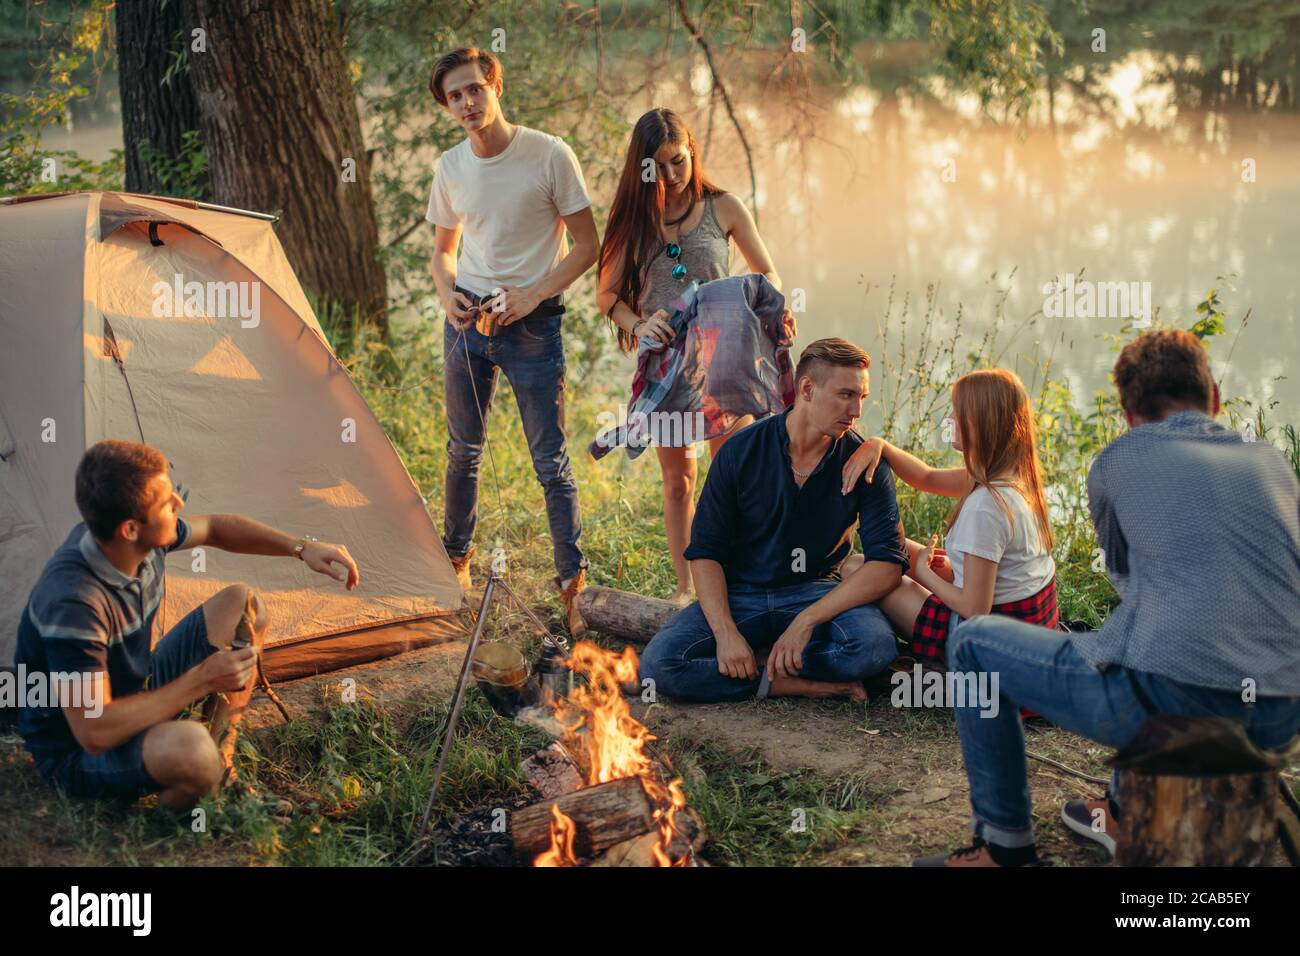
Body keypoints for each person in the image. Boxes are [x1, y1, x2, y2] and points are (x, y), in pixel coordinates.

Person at [915, 330, 1300, 866]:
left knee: (975, 640)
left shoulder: (1115, 465)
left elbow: (1129, 583)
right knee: (1144, 638)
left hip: (1178, 711)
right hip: (1282, 715)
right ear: (1213, 396)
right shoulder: (1273, 465)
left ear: (1125, 410)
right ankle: (1120, 809)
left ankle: (1001, 847)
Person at [14, 440, 360, 809]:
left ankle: (220, 762)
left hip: (133, 693)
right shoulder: (74, 604)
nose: (179, 506)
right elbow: (95, 731)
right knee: (192, 747)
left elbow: (214, 528)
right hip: (79, 752)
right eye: (167, 504)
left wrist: (301, 548)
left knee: (244, 604)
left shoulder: (135, 541)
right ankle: (183, 797)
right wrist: (202, 680)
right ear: (130, 529)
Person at [425, 46, 598, 634]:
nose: (467, 103)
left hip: (533, 325)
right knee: (462, 452)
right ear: (447, 106)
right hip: (467, 324)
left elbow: (588, 247)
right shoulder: (450, 166)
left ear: (495, 85)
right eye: (455, 96)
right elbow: (442, 254)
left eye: (475, 89)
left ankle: (573, 585)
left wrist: (529, 295)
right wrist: (449, 295)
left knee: (551, 462)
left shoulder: (549, 155)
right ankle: (457, 561)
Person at [638, 338, 908, 702]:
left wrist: (806, 621)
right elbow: (705, 552)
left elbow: (887, 565)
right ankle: (788, 681)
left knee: (874, 647)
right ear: (808, 389)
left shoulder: (865, 462)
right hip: (741, 594)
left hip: (816, 591)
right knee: (660, 666)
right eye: (846, 395)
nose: (856, 410)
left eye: (862, 396)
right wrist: (726, 633)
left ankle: (759, 664)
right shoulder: (740, 451)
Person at [596, 107, 784, 603]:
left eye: (678, 162)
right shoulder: (633, 222)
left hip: (726, 364)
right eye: (656, 167)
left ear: (692, 151)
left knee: (732, 478)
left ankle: (733, 583)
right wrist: (638, 323)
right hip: (667, 371)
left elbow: (769, 274)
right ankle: (685, 590)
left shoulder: (723, 207)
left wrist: (765, 305)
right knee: (679, 482)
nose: (671, 176)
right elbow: (606, 297)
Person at [838, 369, 1059, 663]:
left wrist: (927, 575)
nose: (950, 421)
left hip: (986, 646)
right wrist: (882, 446)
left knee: (856, 568)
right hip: (1021, 632)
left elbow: (974, 608)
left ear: (980, 424)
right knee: (893, 555)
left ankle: (925, 662)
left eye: (957, 413)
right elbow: (926, 477)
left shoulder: (986, 506)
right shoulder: (1009, 476)